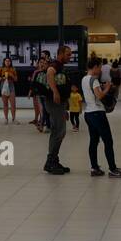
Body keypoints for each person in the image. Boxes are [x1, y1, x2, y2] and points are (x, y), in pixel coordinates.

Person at [81, 55, 121, 177]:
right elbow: (100, 96)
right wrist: (106, 88)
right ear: (95, 67)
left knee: (94, 141)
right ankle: (112, 169)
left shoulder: (84, 79)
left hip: (88, 113)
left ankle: (94, 167)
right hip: (97, 113)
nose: (100, 70)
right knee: (108, 140)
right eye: (99, 67)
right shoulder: (94, 80)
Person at [43, 46, 73, 175]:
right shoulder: (55, 64)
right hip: (54, 102)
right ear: (60, 54)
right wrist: (55, 92)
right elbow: (49, 72)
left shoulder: (61, 65)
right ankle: (50, 162)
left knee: (57, 131)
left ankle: (53, 160)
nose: (69, 57)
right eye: (67, 54)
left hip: (59, 104)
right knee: (60, 131)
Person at [0, 57, 18, 124]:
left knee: (13, 104)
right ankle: (6, 119)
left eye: (9, 61)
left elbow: (16, 79)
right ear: (4, 62)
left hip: (11, 86)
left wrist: (12, 76)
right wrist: (2, 78)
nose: (7, 62)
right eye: (6, 61)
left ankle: (14, 119)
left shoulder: (13, 69)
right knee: (5, 104)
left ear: (10, 62)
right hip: (3, 85)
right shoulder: (0, 69)